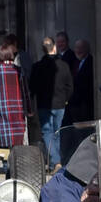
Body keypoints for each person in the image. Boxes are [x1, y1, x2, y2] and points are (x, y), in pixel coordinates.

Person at [29, 36, 74, 169]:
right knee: (57, 132)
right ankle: (56, 160)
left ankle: (55, 160)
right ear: (54, 47)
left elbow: (32, 87)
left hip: (44, 104)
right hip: (60, 104)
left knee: (47, 132)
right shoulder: (64, 65)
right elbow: (70, 86)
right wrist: (66, 99)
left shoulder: (37, 66)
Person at [0, 39, 27, 147]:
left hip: (2, 107)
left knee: (4, 135)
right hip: (18, 107)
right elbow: (24, 91)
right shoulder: (19, 70)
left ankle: (6, 154)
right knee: (17, 135)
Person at [62, 38, 95, 165]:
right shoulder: (74, 62)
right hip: (74, 105)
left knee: (84, 134)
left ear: (86, 49)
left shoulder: (91, 61)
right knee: (74, 134)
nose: (78, 51)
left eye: (81, 48)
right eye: (76, 48)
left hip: (85, 105)